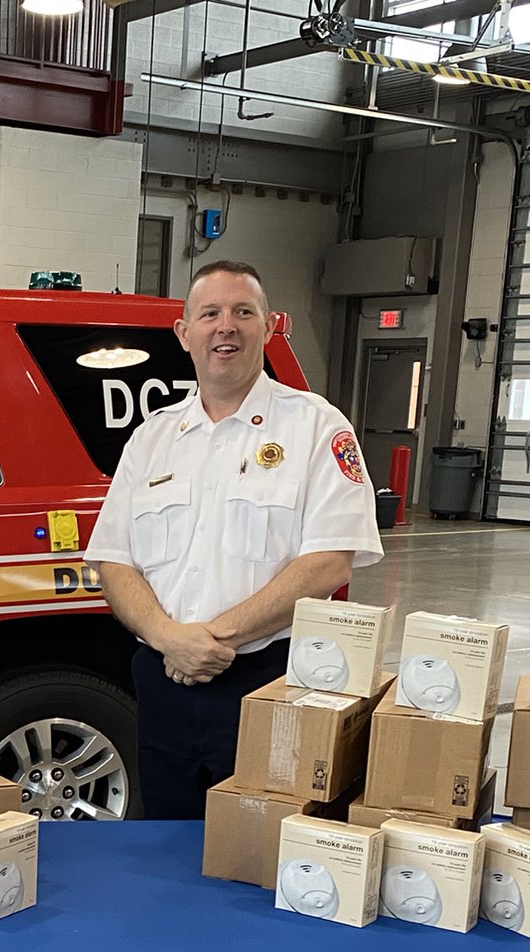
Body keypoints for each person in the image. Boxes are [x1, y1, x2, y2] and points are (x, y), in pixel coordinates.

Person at [86, 259, 385, 819]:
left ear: (269, 327)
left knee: (262, 849)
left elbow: (330, 562)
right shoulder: (151, 439)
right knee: (166, 847)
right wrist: (169, 638)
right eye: (210, 314)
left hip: (268, 681)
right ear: (184, 333)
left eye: (243, 312)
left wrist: (211, 640)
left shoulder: (317, 427)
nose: (226, 326)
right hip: (163, 682)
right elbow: (114, 562)